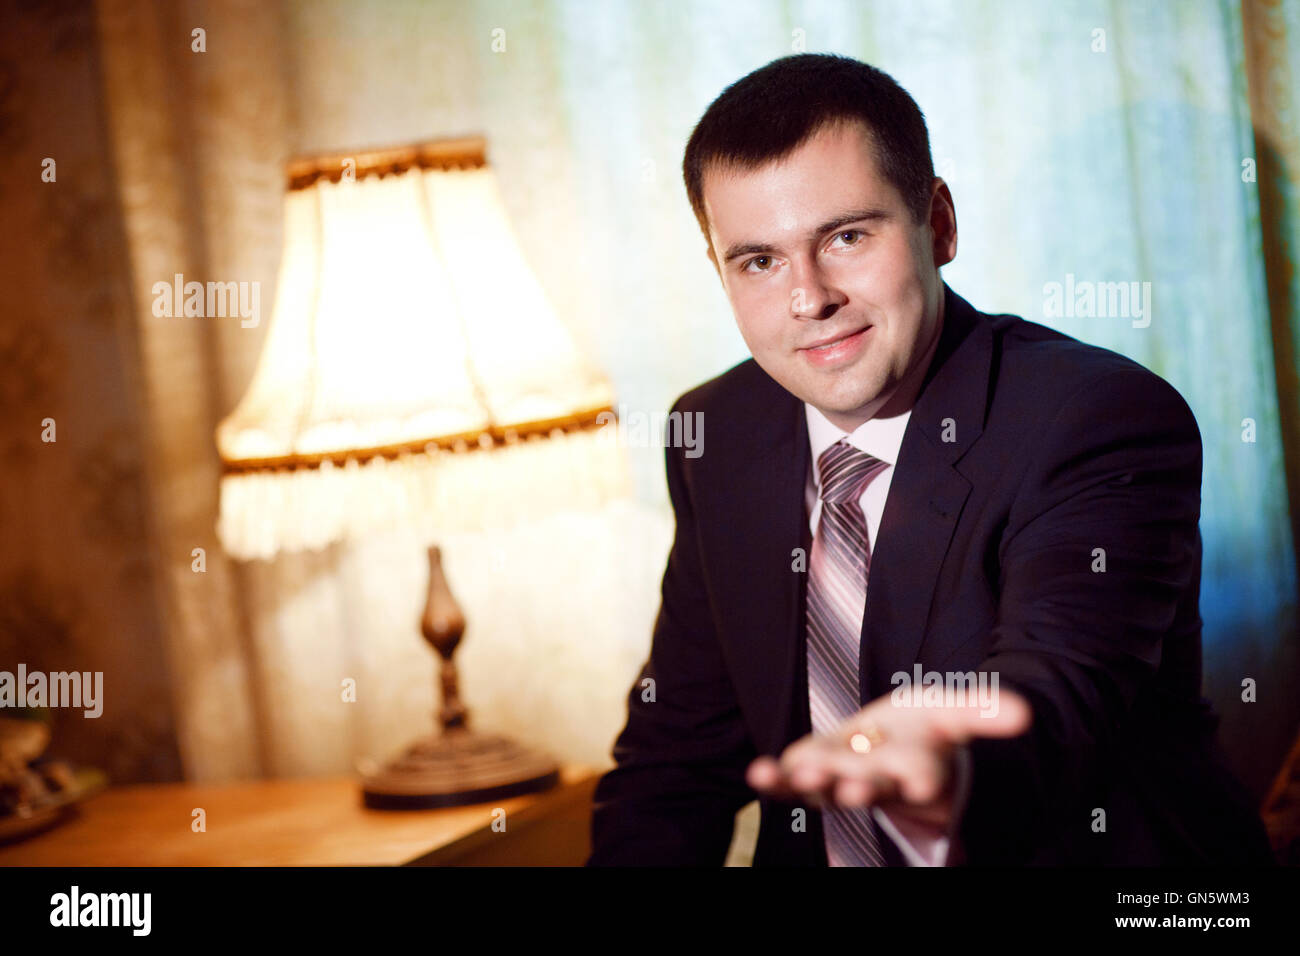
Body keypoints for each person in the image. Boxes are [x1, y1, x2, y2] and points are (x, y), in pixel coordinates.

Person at [587, 53, 1274, 866]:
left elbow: (1059, 688)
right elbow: (678, 756)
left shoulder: (1096, 416)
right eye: (760, 261)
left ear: (938, 223)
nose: (809, 298)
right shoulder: (716, 430)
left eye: (846, 237)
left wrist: (946, 762)